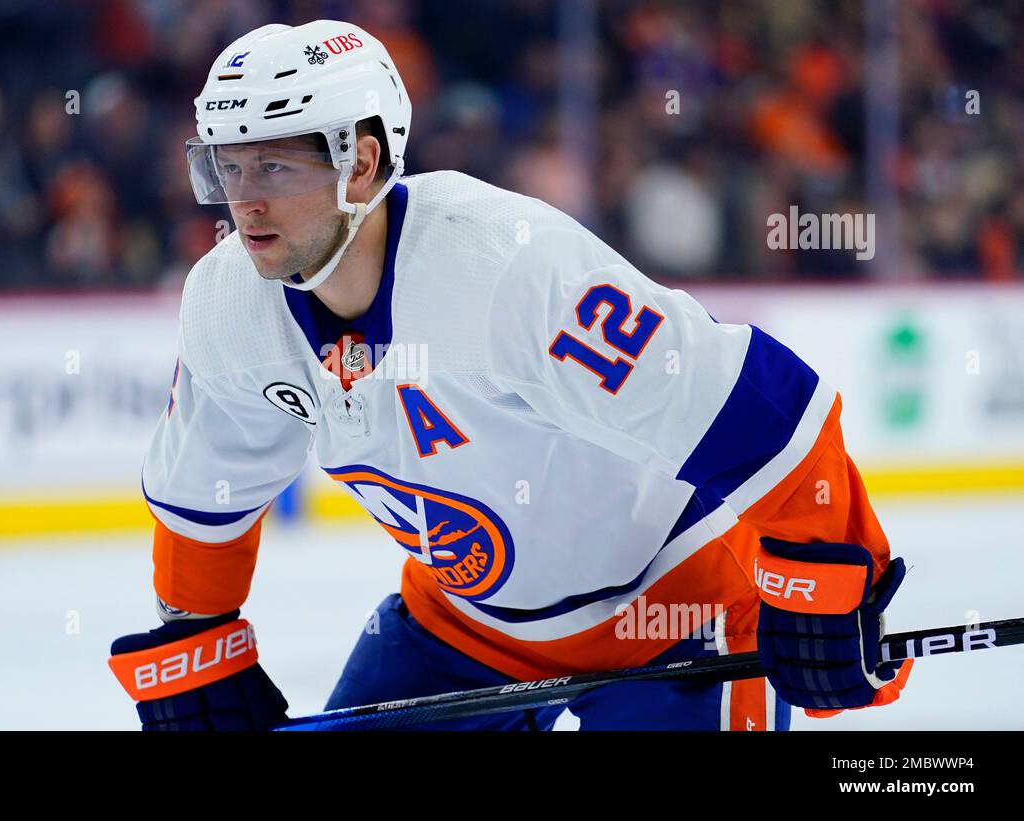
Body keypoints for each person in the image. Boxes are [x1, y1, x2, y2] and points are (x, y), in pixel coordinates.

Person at [107, 20, 914, 731]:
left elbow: (761, 408)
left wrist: (830, 577)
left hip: (674, 610)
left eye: (275, 169)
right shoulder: (227, 303)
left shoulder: (508, 269)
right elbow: (205, 490)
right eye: (229, 170)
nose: (243, 204)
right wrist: (196, 639)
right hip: (461, 626)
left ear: (361, 162)